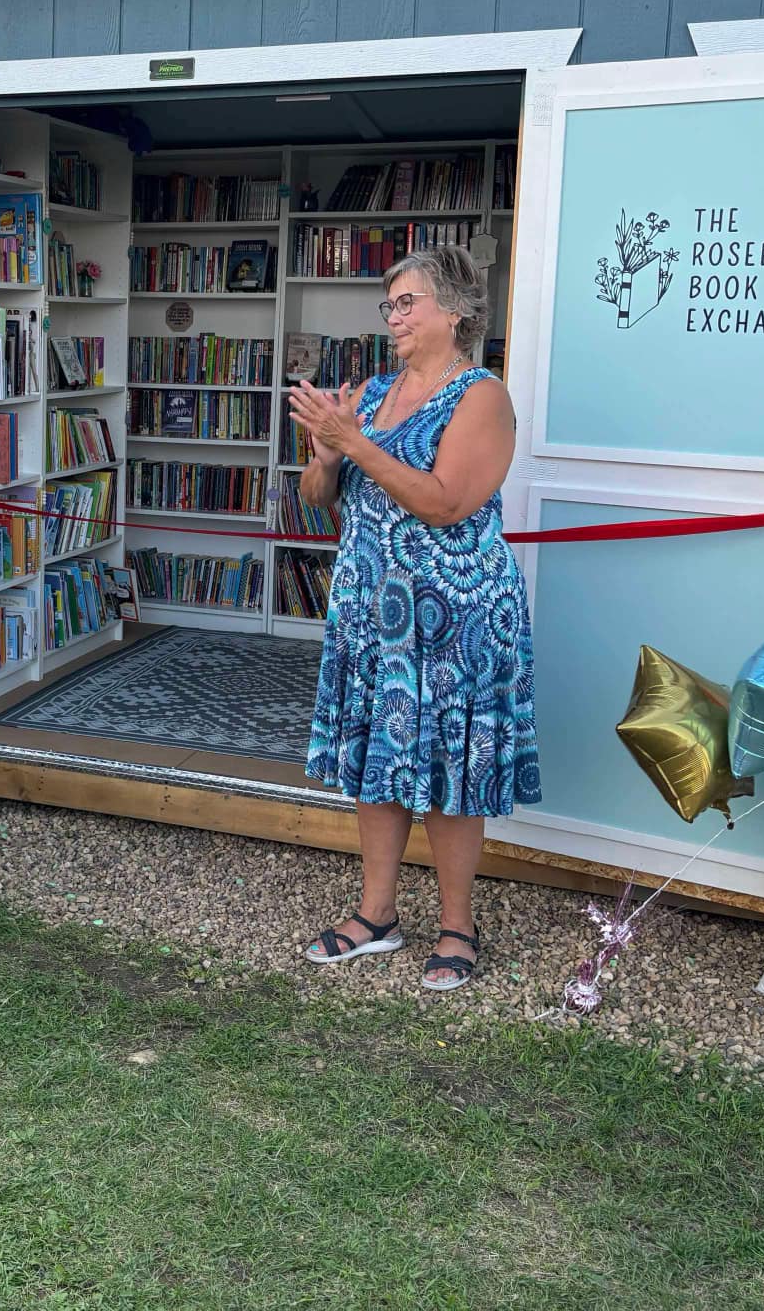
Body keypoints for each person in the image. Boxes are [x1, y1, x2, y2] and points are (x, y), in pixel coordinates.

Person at [285, 245, 540, 992]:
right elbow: (315, 496)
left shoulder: (481, 395)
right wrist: (327, 453)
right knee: (379, 759)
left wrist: (353, 440)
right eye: (388, 305)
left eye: (408, 302)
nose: (393, 316)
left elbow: (445, 502)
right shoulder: (379, 391)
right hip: (375, 615)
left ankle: (459, 926)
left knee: (452, 770)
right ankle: (377, 916)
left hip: (455, 617)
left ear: (455, 310)